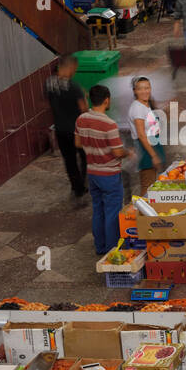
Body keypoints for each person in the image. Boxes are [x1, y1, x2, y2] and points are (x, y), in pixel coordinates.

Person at [76, 85, 128, 256]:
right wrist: (128, 152)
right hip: (110, 175)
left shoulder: (81, 119)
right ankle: (112, 251)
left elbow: (77, 143)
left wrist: (93, 148)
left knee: (98, 210)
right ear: (107, 100)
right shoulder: (109, 124)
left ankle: (100, 246)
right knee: (112, 213)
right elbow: (118, 152)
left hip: (92, 173)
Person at [46, 57, 88, 198]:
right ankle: (85, 182)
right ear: (69, 67)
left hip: (60, 129)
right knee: (85, 156)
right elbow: (83, 108)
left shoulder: (49, 83)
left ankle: (77, 188)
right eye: (74, 69)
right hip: (77, 130)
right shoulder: (74, 86)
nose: (74, 72)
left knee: (69, 160)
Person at [129, 76, 165, 191]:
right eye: (140, 89)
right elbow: (141, 135)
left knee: (153, 185)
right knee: (147, 187)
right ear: (135, 91)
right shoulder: (137, 109)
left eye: (147, 88)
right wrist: (153, 156)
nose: (144, 91)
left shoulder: (145, 104)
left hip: (152, 145)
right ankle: (143, 209)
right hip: (146, 150)